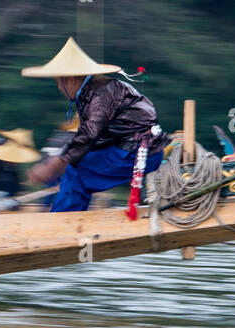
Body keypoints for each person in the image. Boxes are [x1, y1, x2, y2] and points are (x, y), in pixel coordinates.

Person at [22, 38, 168, 212]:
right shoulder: (93, 92)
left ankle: (63, 225)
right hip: (132, 149)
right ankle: (69, 220)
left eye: (58, 83)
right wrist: (61, 162)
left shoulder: (100, 94)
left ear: (70, 80)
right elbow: (91, 139)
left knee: (77, 173)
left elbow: (89, 135)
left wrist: (54, 165)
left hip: (137, 152)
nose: (59, 89)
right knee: (75, 167)